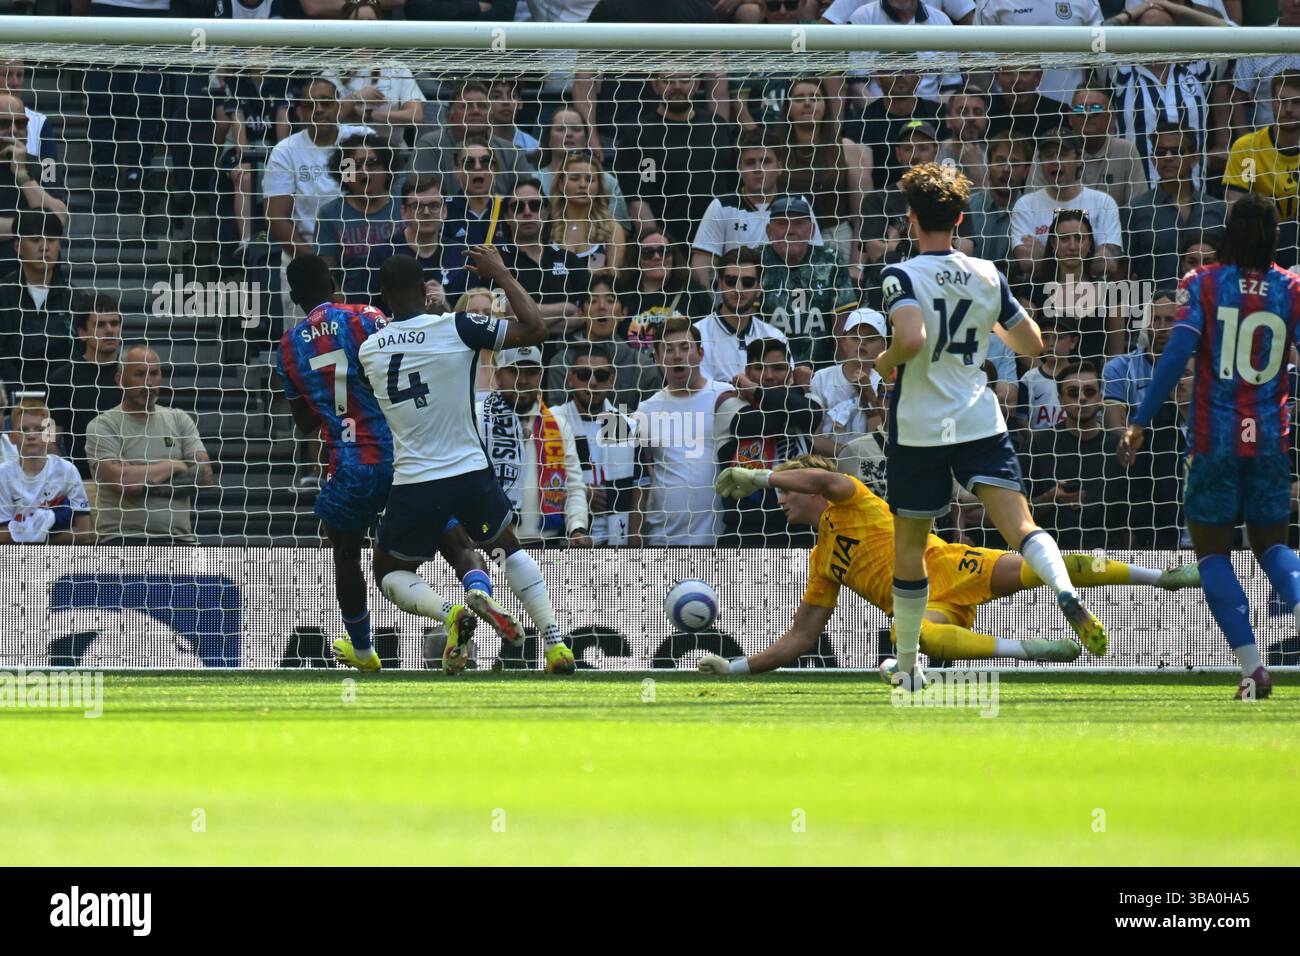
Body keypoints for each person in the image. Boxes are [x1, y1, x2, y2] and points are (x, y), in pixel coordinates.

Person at [873, 162, 1109, 690]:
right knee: (1021, 527)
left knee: (910, 549)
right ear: (960, 218)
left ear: (912, 219)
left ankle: (908, 665)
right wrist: (986, 327)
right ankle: (1065, 591)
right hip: (979, 417)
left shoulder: (900, 275)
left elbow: (909, 339)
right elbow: (1033, 344)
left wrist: (884, 363)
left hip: (920, 426)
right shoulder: (986, 273)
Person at [701, 453, 1197, 674]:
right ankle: (1031, 649)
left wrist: (759, 475)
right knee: (917, 636)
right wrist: (734, 667)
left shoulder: (851, 499)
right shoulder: (822, 560)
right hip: (924, 606)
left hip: (950, 563)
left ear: (807, 487)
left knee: (1039, 567)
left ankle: (1161, 577)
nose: (782, 499)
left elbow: (828, 481)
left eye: (787, 490)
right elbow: (801, 638)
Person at [278, 254, 518, 674]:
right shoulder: (364, 317)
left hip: (351, 464)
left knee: (346, 555)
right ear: (334, 282)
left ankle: (365, 650)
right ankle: (479, 589)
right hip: (405, 455)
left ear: (295, 297)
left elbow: (304, 422)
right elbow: (406, 355)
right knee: (455, 538)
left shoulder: (289, 345)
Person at [359, 249, 577, 674]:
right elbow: (536, 328)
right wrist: (500, 274)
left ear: (383, 297)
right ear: (425, 291)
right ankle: (555, 644)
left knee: (388, 572)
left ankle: (449, 613)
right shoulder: (457, 326)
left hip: (415, 481)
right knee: (506, 549)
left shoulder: (369, 350)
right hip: (468, 471)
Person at [1117, 194, 1300, 700]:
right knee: (1274, 548)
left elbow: (1176, 354)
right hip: (1270, 440)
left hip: (1213, 440)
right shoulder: (1291, 288)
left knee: (1213, 553)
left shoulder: (1203, 282)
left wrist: (1139, 421)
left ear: (1226, 236)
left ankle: (1253, 669)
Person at [84, 345, 214, 546]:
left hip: (179, 541)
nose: (149, 382)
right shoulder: (103, 425)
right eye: (139, 374)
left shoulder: (179, 419)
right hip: (122, 539)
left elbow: (204, 476)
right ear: (119, 379)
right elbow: (122, 480)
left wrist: (141, 478)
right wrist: (175, 466)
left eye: (154, 373)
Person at [638, 315, 744, 546]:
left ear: (701, 353)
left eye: (685, 347)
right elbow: (637, 470)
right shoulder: (646, 409)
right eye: (668, 349)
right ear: (657, 358)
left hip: (719, 539)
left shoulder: (726, 396)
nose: (677, 355)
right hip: (663, 539)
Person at [478, 345, 592, 547]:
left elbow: (574, 487)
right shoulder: (478, 417)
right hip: (490, 543)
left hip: (548, 544)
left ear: (540, 376)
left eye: (531, 372)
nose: (523, 380)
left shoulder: (558, 424)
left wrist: (577, 527)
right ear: (498, 375)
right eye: (514, 371)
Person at [717, 338, 822, 546]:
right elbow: (765, 423)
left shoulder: (807, 401)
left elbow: (811, 416)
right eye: (759, 368)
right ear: (747, 371)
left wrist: (756, 390)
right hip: (746, 533)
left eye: (778, 368)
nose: (769, 376)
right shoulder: (729, 403)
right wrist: (797, 391)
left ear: (789, 373)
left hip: (801, 531)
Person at [689, 128, 823, 291]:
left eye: (766, 161)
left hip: (787, 296)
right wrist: (705, 301)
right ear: (739, 168)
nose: (758, 169)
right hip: (738, 297)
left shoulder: (797, 202)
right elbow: (701, 264)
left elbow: (816, 255)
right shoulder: (722, 206)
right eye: (750, 162)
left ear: (780, 167)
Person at [264, 76, 372, 262]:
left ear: (338, 106)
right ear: (300, 112)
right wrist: (316, 263)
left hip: (365, 255)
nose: (319, 109)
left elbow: (385, 198)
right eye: (310, 105)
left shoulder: (363, 138)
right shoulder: (284, 151)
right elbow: (276, 218)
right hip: (305, 257)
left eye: (326, 102)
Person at [550, 342, 647, 547]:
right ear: (570, 378)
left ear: (611, 380)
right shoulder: (553, 422)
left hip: (616, 541)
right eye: (584, 375)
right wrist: (581, 494)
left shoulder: (624, 424)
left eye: (601, 376)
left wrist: (634, 540)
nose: (592, 382)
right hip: (566, 542)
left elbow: (640, 485)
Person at [1025, 362, 1128, 551]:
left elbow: (1130, 517)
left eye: (1089, 392)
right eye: (1073, 393)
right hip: (1051, 553)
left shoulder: (1118, 446)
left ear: (1100, 397)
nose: (1082, 398)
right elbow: (1019, 513)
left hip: (1108, 554)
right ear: (1060, 399)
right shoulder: (1038, 443)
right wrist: (1050, 497)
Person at [759, 195, 858, 380]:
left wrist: (839, 379)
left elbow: (842, 327)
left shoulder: (830, 261)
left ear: (812, 230)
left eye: (798, 223)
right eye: (782, 223)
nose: (791, 231)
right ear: (769, 231)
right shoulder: (756, 262)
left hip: (822, 374)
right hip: (768, 375)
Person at [1126, 121, 1228, 285]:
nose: (1168, 157)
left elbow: (1229, 268)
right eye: (1161, 153)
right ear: (1153, 159)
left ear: (1194, 158)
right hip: (1153, 300)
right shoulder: (1136, 210)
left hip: (1207, 299)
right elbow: (1123, 273)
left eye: (1177, 151)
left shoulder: (1217, 209)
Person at [544, 270, 662, 411]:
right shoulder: (561, 363)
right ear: (581, 312)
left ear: (623, 313)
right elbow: (557, 418)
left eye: (610, 301)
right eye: (593, 301)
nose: (601, 306)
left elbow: (652, 419)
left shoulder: (643, 367)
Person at [314, 133, 403, 302]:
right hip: (353, 308)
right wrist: (345, 310)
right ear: (345, 175)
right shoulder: (330, 214)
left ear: (387, 171)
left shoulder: (404, 206)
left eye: (372, 164)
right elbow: (325, 274)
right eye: (356, 165)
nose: (364, 171)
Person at [47, 292, 124, 478]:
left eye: (114, 323)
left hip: (133, 480)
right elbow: (48, 440)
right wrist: (68, 480)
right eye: (100, 325)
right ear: (82, 333)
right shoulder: (61, 379)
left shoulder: (136, 374)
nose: (109, 330)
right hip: (82, 482)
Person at [0, 396, 92, 544]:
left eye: (39, 429)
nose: (31, 435)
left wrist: (40, 537)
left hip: (60, 553)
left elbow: (84, 532)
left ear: (49, 434)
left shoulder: (67, 470)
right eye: (23, 430)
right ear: (11, 437)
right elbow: (2, 534)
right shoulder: (3, 475)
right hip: (15, 554)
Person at [695, 248, 787, 384]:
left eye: (748, 282)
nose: (738, 289)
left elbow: (787, 385)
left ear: (759, 288)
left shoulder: (775, 336)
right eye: (731, 281)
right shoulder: (697, 335)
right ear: (720, 284)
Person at [547, 148, 627, 272]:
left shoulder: (612, 230)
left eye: (590, 180)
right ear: (561, 184)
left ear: (598, 186)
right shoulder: (546, 227)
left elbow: (614, 278)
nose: (583, 185)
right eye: (574, 179)